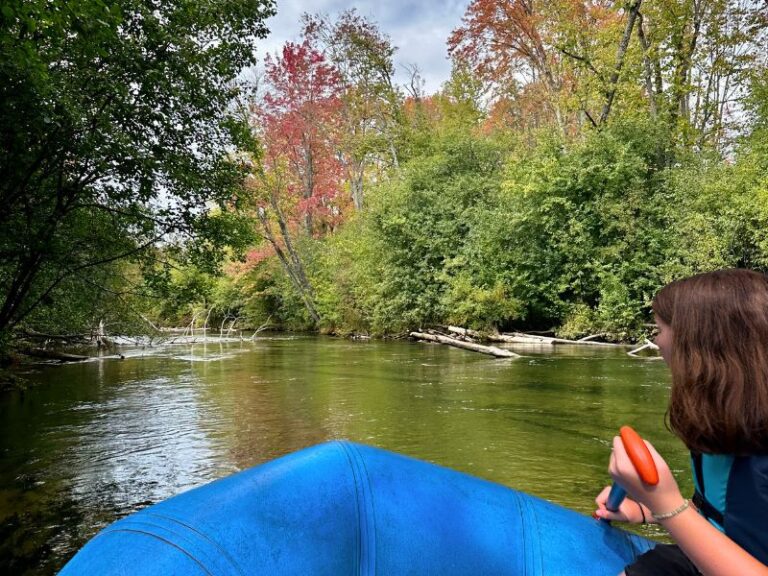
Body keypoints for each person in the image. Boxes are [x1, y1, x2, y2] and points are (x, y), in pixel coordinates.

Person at [593, 269, 768, 576]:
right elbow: (715, 508)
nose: (657, 343)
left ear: (698, 346)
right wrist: (645, 510)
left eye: (659, 330)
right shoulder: (726, 419)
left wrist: (666, 504)